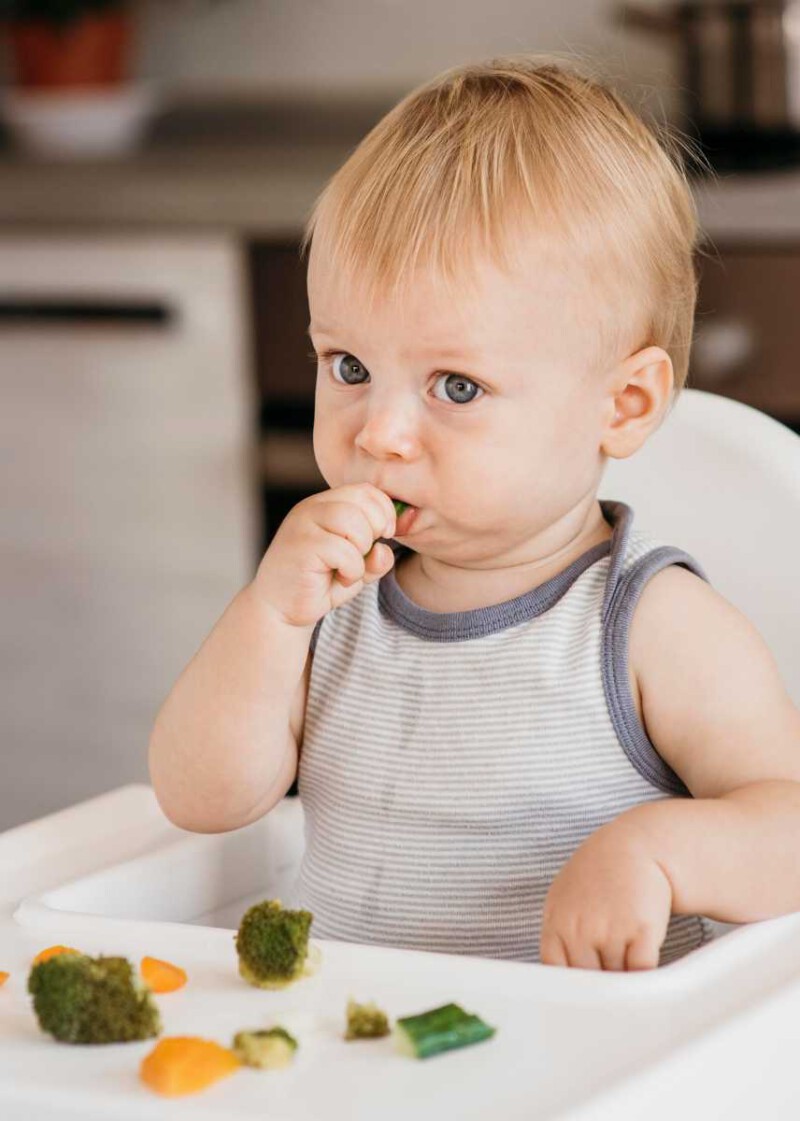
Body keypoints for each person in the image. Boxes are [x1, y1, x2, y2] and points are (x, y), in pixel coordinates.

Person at [148, 55, 800, 971]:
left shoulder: (650, 624)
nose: (379, 431)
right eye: (348, 366)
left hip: (571, 1066)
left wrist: (657, 850)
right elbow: (198, 798)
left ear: (623, 405)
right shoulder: (330, 602)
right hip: (348, 1044)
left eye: (456, 385)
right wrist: (266, 616)